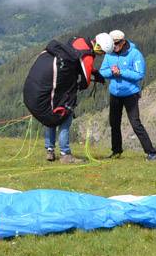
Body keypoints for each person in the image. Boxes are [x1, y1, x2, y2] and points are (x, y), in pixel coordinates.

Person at [22, 36, 100, 164]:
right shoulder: (88, 56)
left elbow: (77, 61)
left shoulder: (77, 41)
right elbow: (85, 80)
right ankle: (65, 154)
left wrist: (93, 72)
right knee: (65, 118)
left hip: (51, 89)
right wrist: (78, 85)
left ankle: (50, 150)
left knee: (51, 116)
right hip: (62, 89)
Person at [98, 29, 156, 161]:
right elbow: (102, 72)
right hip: (115, 94)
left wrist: (121, 72)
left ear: (123, 41)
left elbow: (139, 74)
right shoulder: (109, 54)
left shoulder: (135, 54)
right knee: (114, 123)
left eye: (116, 43)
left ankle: (151, 152)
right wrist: (112, 72)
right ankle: (116, 151)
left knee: (135, 124)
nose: (114, 46)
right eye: (112, 44)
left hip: (130, 94)